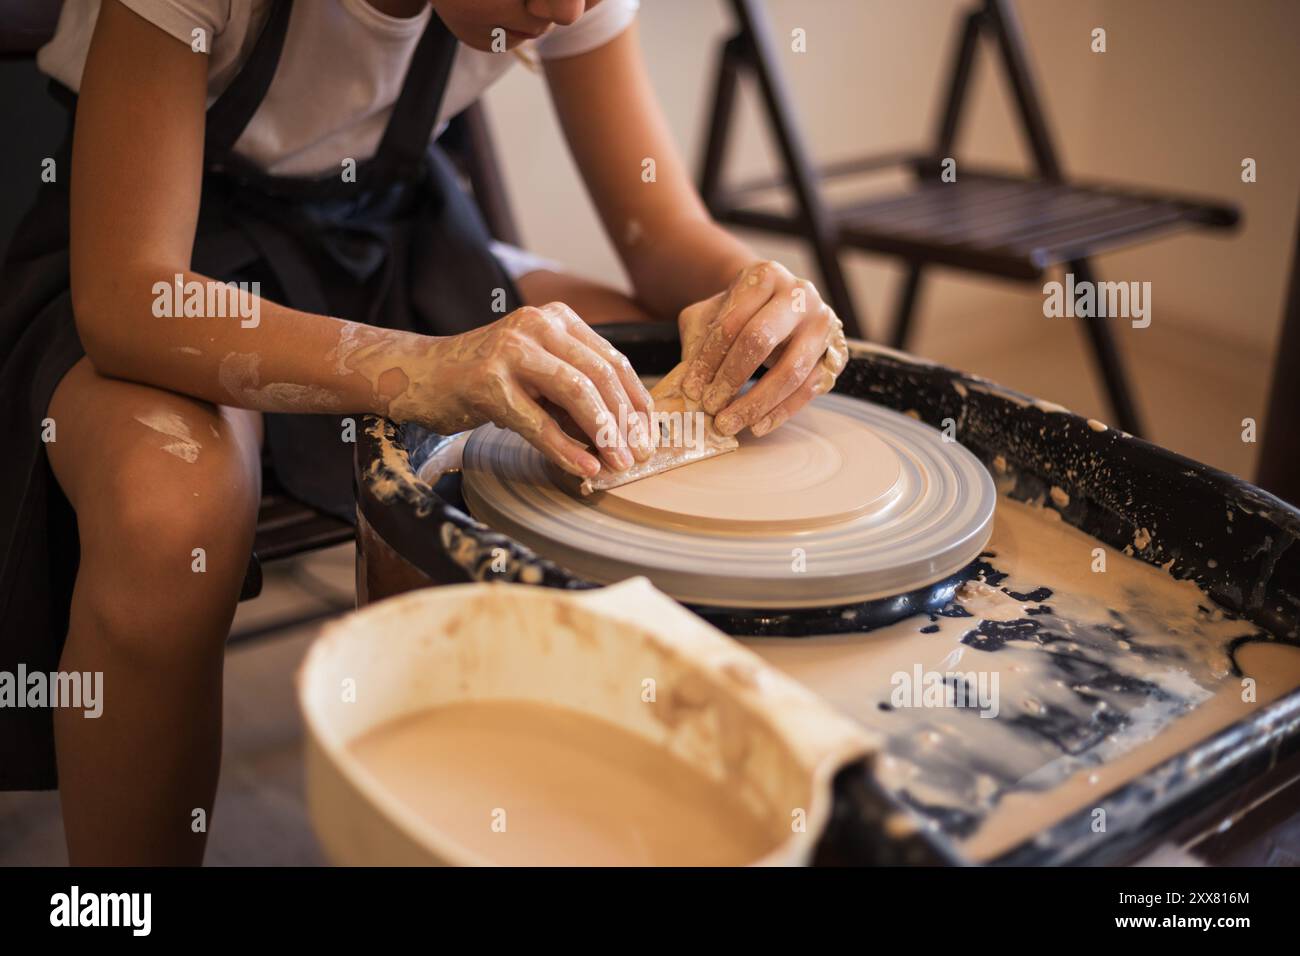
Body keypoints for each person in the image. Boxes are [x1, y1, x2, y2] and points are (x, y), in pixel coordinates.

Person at [0, 0, 846, 864]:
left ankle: (504, 818)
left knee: (648, 411)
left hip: (389, 240)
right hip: (161, 266)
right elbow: (130, 293)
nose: (565, 10)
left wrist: (761, 298)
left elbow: (662, 234)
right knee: (171, 508)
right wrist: (424, 371)